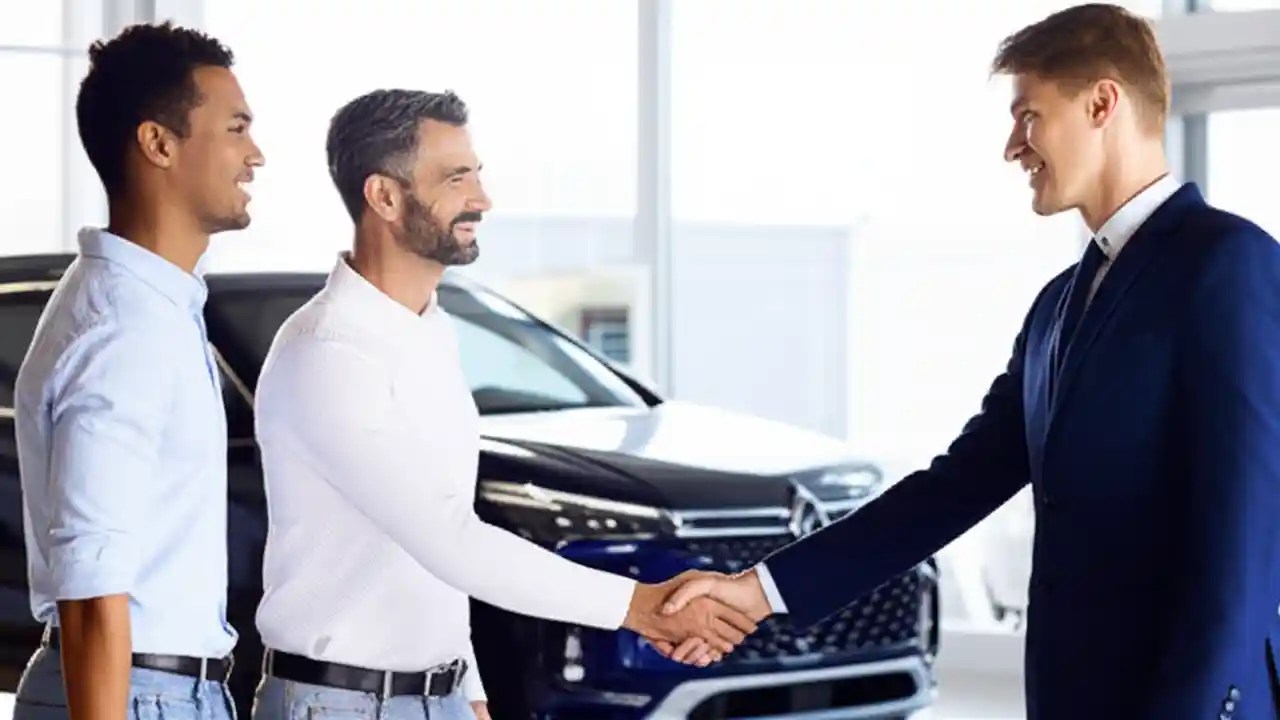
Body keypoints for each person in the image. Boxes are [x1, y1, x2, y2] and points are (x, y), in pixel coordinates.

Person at [662, 4, 1280, 718]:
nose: (1014, 148)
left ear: (1101, 103)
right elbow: (956, 486)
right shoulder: (1056, 307)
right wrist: (758, 591)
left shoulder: (1228, 265)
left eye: (1029, 116)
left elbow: (1247, 534)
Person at [248, 88, 753, 720]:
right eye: (456, 179)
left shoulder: (428, 332)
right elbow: (450, 539)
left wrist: (470, 691)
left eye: (477, 175)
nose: (482, 200)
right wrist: (642, 608)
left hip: (434, 697)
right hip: (340, 705)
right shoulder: (328, 352)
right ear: (384, 196)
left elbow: (436, 538)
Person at [12, 21, 264, 720]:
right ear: (158, 143)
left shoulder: (152, 305)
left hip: (158, 691)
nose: (255, 155)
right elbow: (91, 588)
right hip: (136, 694)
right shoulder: (125, 327)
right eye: (236, 129)